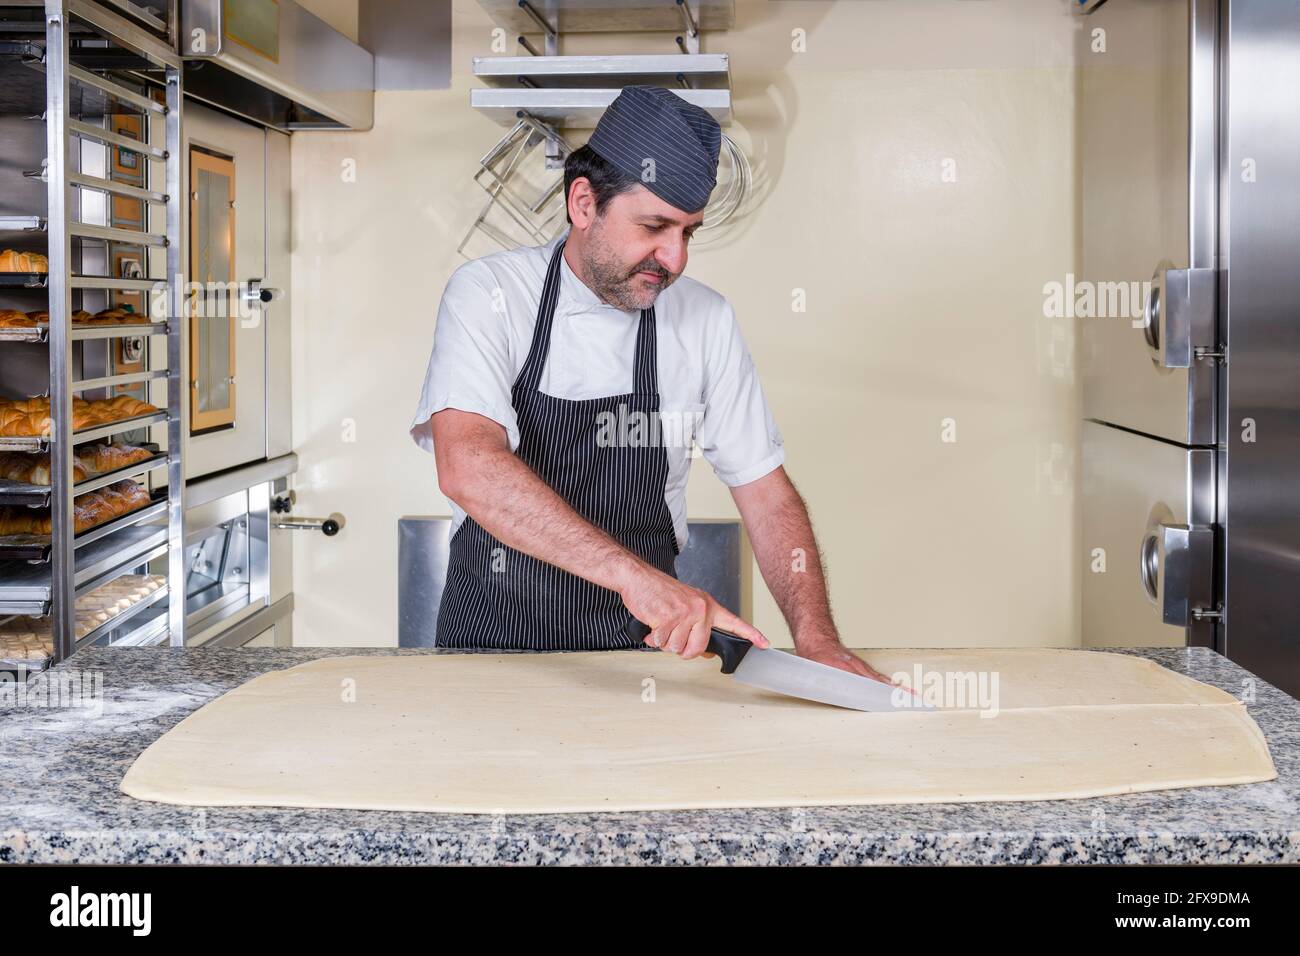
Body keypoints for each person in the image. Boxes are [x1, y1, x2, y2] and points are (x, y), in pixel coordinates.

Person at [411, 86, 891, 682]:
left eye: (689, 231)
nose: (675, 258)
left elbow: (765, 492)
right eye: (654, 226)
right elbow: (469, 467)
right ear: (583, 203)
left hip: (639, 660)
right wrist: (636, 577)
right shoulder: (490, 295)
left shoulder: (704, 318)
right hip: (492, 654)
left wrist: (817, 639)